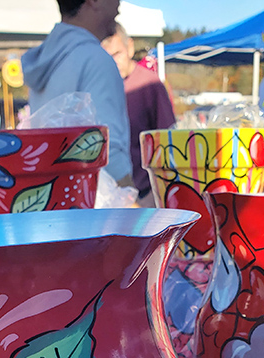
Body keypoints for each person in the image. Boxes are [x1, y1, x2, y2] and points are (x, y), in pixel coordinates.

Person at [22, 0, 133, 187]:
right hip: (97, 208)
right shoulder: (95, 60)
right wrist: (133, 203)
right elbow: (106, 149)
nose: (119, 5)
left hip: (54, 202)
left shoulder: (47, 61)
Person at [102, 23, 175, 205]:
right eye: (106, 57)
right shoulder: (102, 86)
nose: (113, 62)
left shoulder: (150, 85)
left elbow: (168, 141)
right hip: (109, 194)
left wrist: (155, 194)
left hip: (145, 195)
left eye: (117, 54)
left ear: (130, 48)